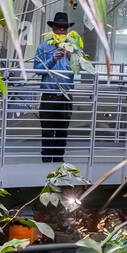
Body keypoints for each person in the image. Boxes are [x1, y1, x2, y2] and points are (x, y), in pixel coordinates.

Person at [33, 11, 76, 164]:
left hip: (66, 96)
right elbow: (37, 70)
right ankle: (46, 164)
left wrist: (71, 56)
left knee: (62, 131)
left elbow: (80, 70)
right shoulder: (44, 47)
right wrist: (52, 59)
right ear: (53, 29)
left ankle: (58, 164)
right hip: (49, 94)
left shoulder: (73, 46)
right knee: (47, 131)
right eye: (58, 28)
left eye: (64, 28)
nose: (61, 31)